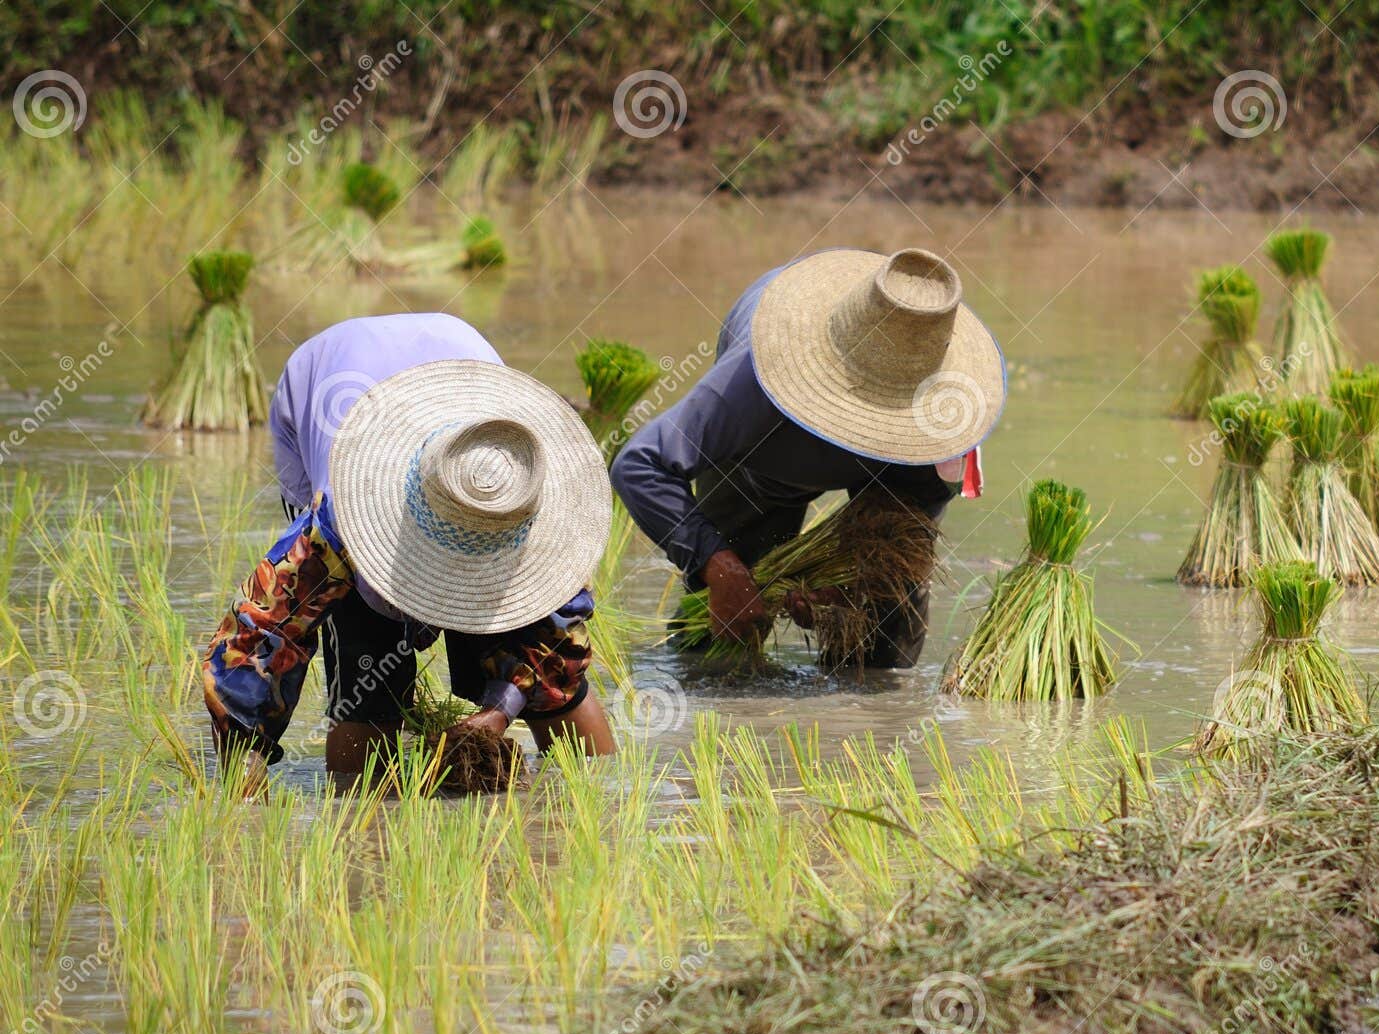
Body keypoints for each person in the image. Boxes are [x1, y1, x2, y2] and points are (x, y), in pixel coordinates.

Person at [203, 313, 616, 791]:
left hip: (460, 364)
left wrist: (501, 711)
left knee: (549, 682)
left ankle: (601, 795)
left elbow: (559, 645)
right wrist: (240, 783)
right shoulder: (339, 525)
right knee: (368, 675)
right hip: (326, 381)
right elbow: (251, 642)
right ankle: (366, 828)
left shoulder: (528, 495)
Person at [611, 247, 1004, 666]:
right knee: (724, 631)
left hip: (890, 478)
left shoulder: (947, 421)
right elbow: (638, 464)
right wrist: (717, 565)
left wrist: (844, 582)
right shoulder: (755, 376)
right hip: (767, 459)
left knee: (887, 630)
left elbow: (908, 534)